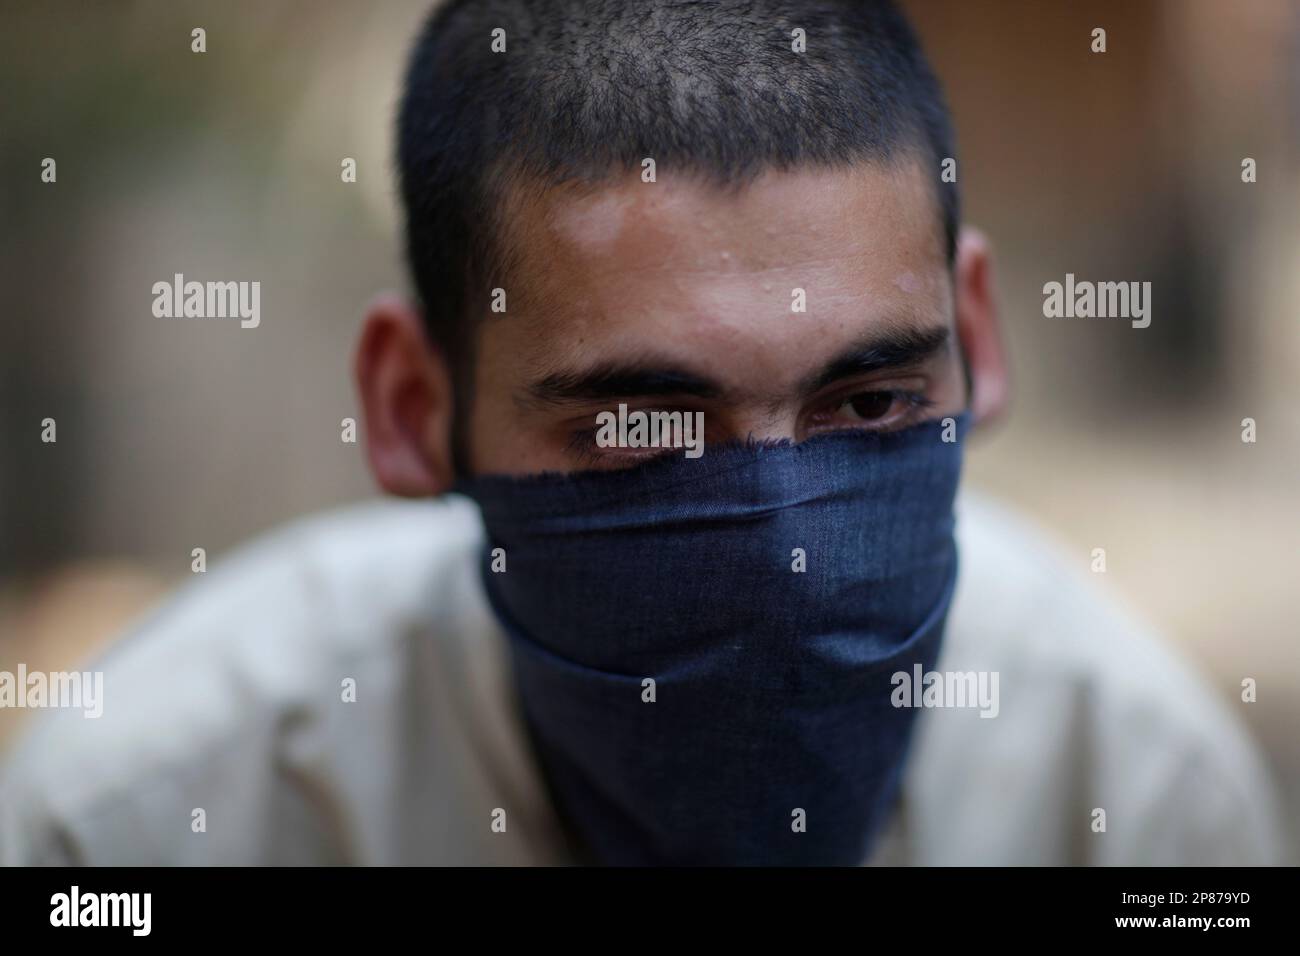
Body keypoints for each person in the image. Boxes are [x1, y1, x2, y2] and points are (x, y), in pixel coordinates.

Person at [1, 0, 1283, 866]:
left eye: (868, 403)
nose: (789, 562)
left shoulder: (1131, 799)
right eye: (639, 424)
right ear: (412, 407)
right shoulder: (139, 828)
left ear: (977, 341)